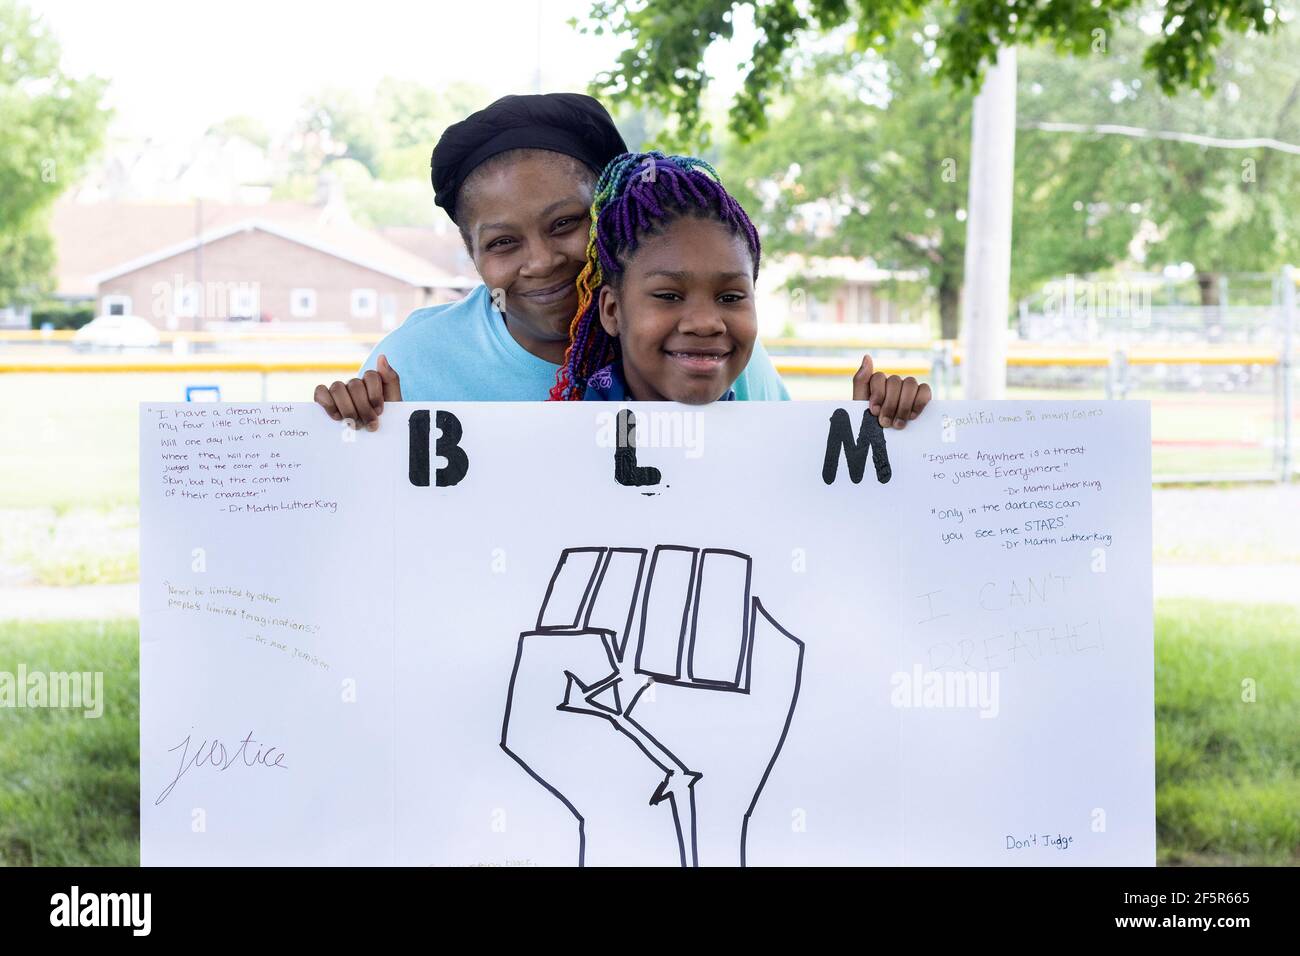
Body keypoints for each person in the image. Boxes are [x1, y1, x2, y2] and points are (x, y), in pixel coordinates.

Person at [313, 93, 789, 429]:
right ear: (472, 254)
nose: (541, 262)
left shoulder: (707, 352)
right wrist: (363, 438)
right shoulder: (414, 363)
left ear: (609, 216)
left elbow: (788, 481)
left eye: (564, 224)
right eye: (502, 243)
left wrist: (863, 427)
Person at [549, 151, 931, 425]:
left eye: (730, 297)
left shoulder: (775, 443)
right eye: (669, 296)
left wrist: (867, 434)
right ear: (612, 311)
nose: (705, 323)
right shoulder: (559, 436)